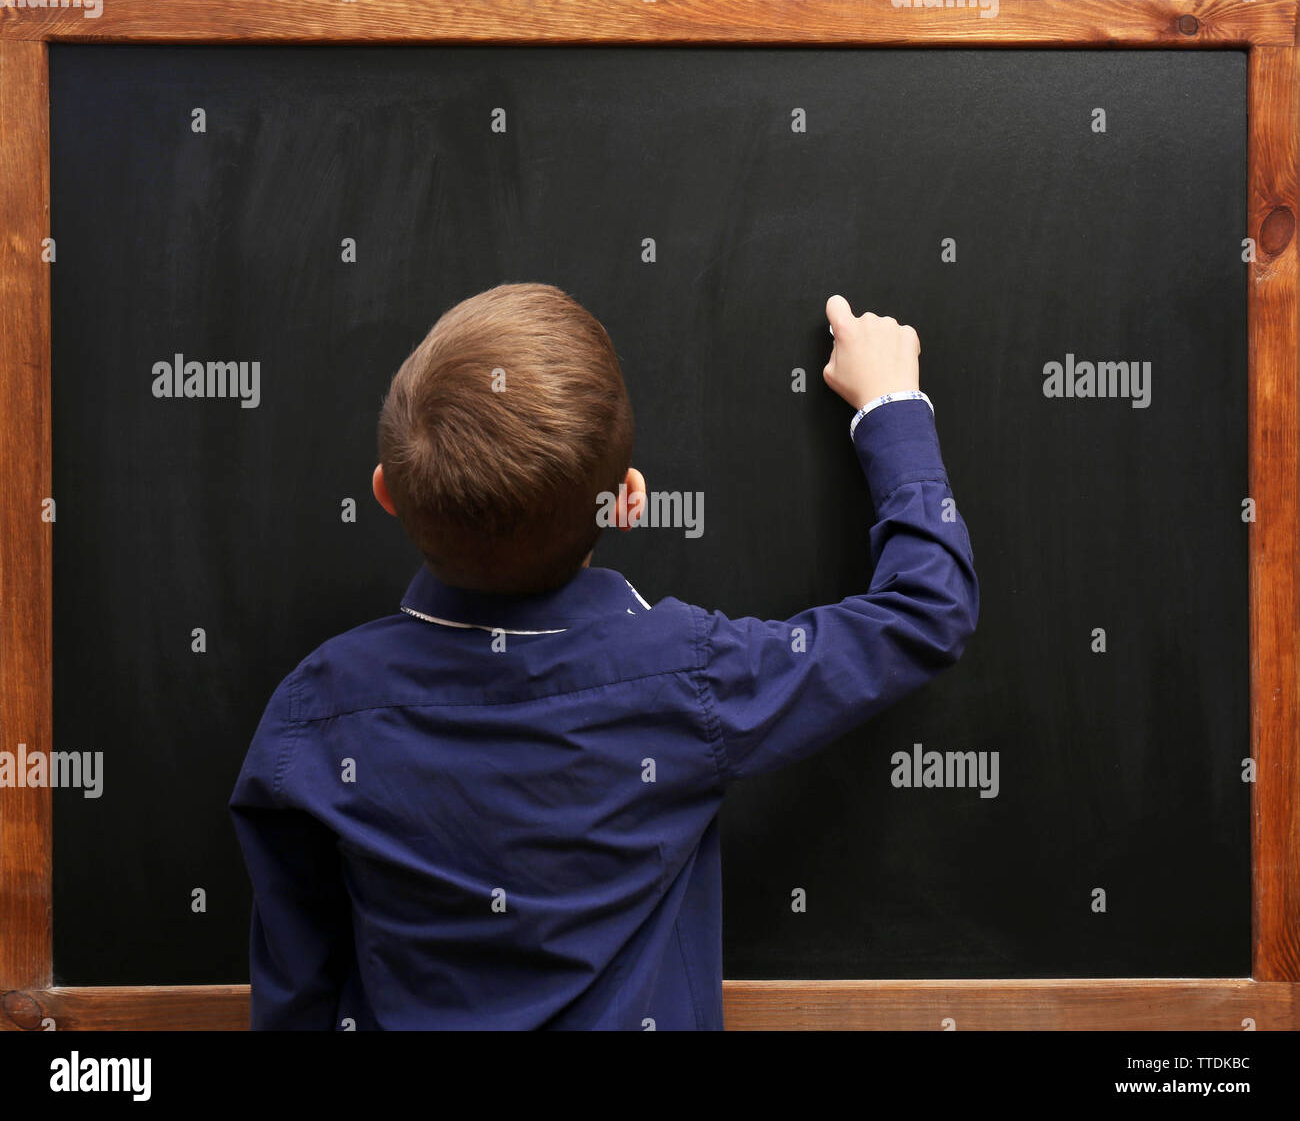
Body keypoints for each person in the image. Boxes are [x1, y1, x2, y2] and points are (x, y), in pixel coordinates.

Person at [229, 282, 978, 1029]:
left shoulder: (316, 713)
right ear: (628, 501)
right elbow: (924, 614)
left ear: (385, 493)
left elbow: (297, 992)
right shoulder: (690, 681)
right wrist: (892, 410)